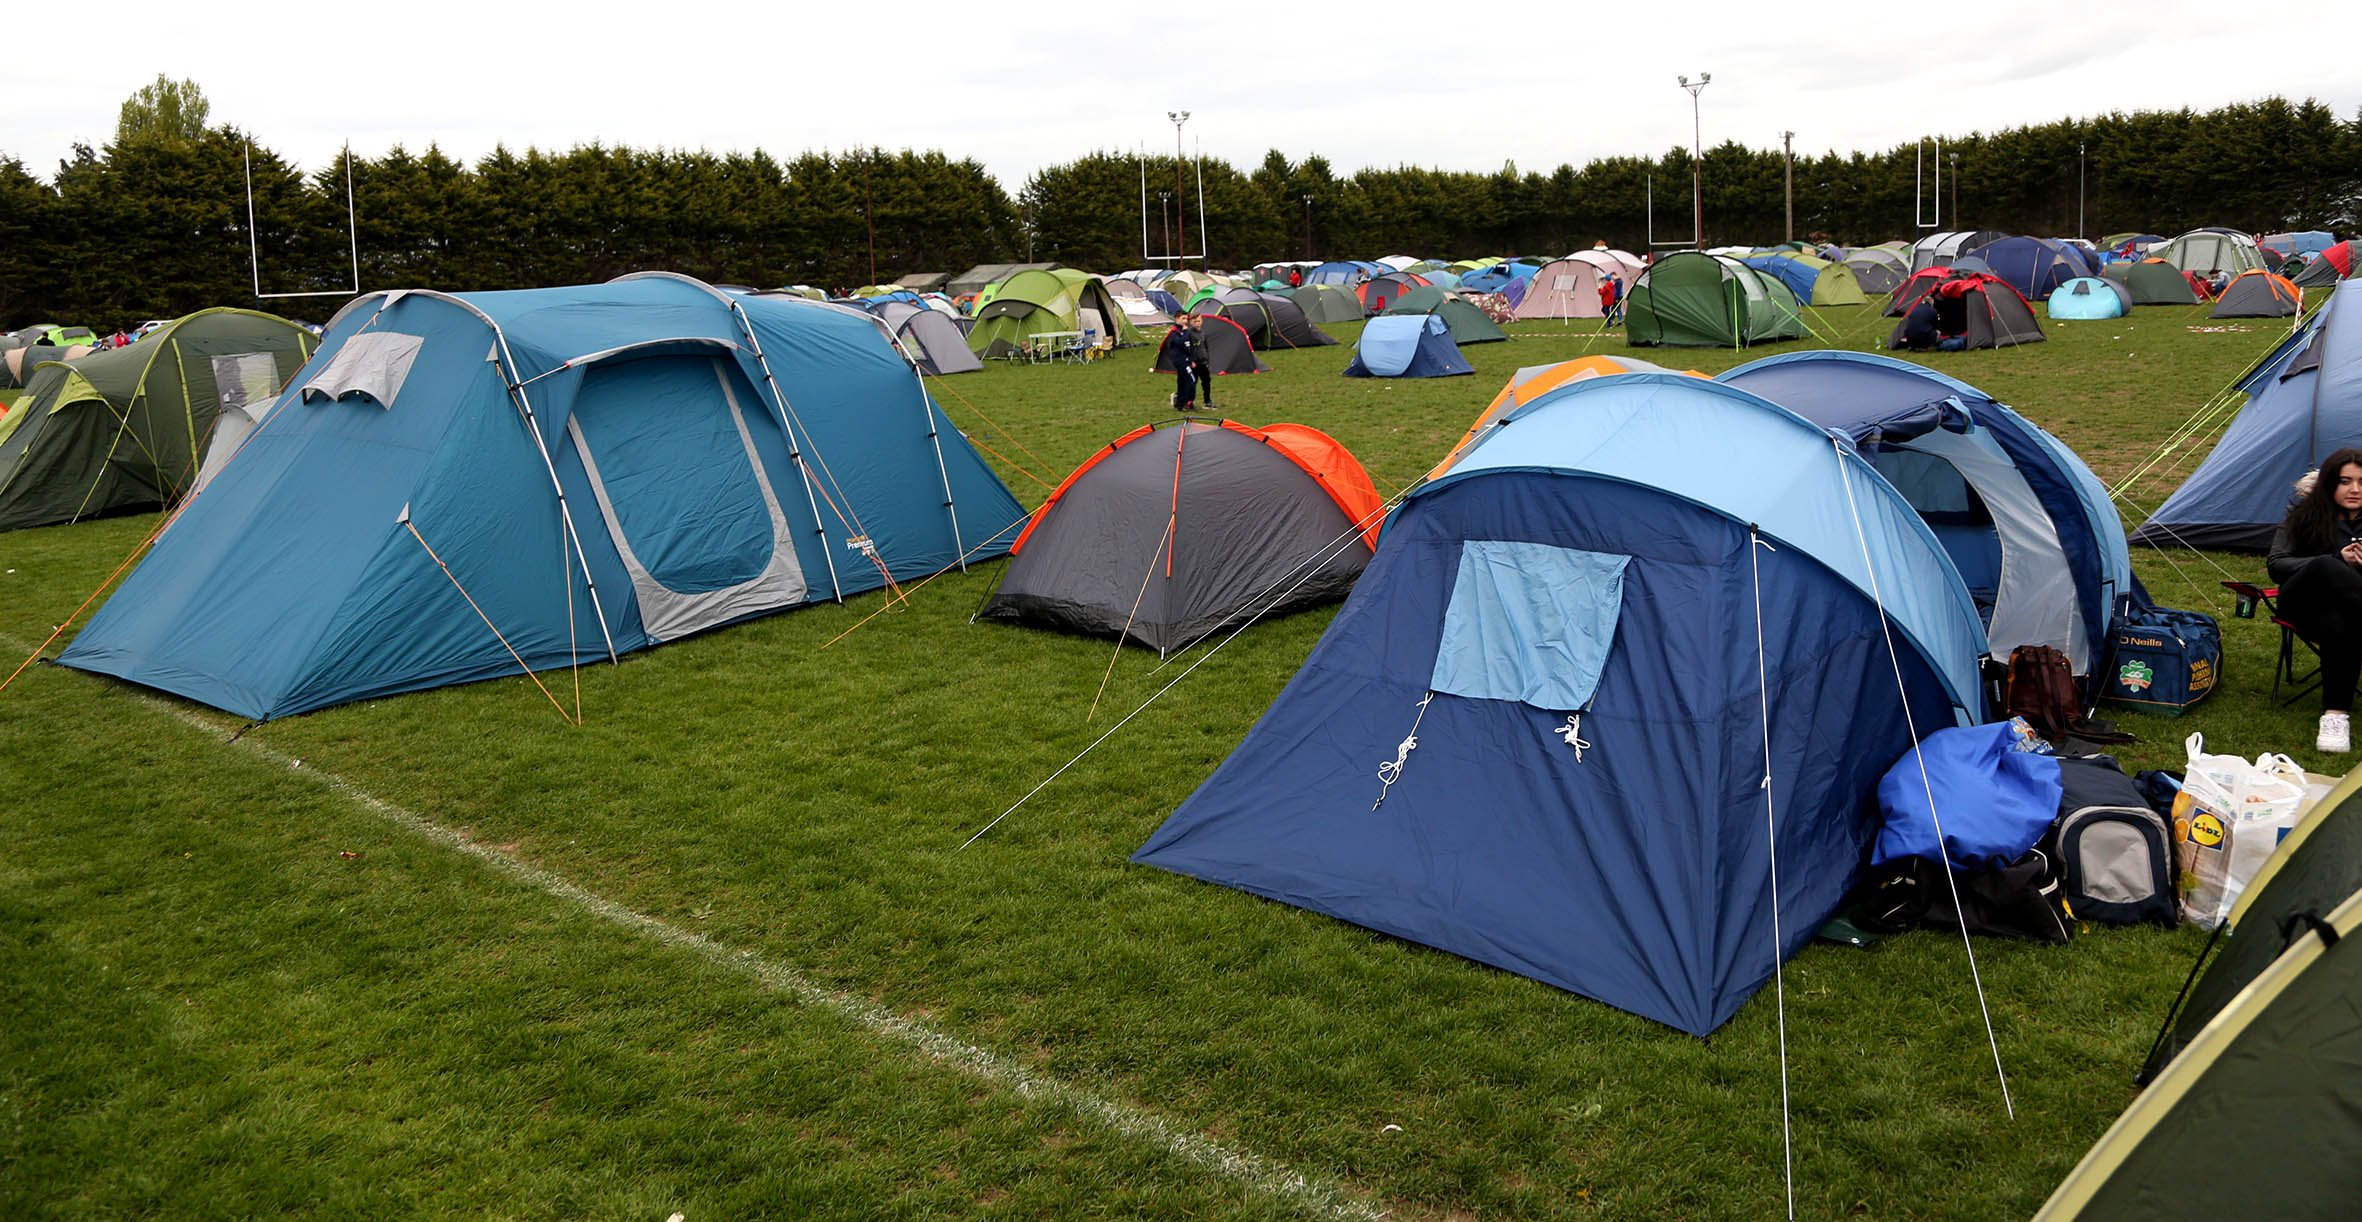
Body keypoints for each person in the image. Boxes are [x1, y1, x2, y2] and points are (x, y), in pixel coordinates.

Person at [2268, 447, 2362, 751]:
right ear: (2330, 483)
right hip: (2303, 604)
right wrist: (2336, 559)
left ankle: (2335, 717)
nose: (2355, 490)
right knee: (2325, 565)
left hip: (2348, 615)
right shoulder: (2303, 515)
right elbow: (2276, 565)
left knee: (2341, 622)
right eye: (2345, 481)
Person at [1159, 319, 1196, 410]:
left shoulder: (1186, 331)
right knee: (1191, 380)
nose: (1185, 321)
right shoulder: (1174, 332)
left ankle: (1180, 402)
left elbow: (1189, 347)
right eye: (1183, 318)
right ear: (1177, 319)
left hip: (1186, 360)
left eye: (1186, 319)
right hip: (1180, 361)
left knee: (1182, 381)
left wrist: (1191, 360)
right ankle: (1188, 402)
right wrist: (1185, 332)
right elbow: (1179, 343)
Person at [1187, 313, 1216, 409]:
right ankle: (1189, 402)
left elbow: (1206, 347)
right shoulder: (1189, 334)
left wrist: (1208, 361)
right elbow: (1188, 349)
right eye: (1194, 321)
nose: (1197, 323)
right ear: (1191, 322)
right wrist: (1191, 361)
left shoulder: (1203, 333)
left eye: (1198, 321)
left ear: (1202, 321)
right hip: (1194, 364)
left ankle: (1207, 401)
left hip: (1204, 362)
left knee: (1206, 382)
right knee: (1192, 383)